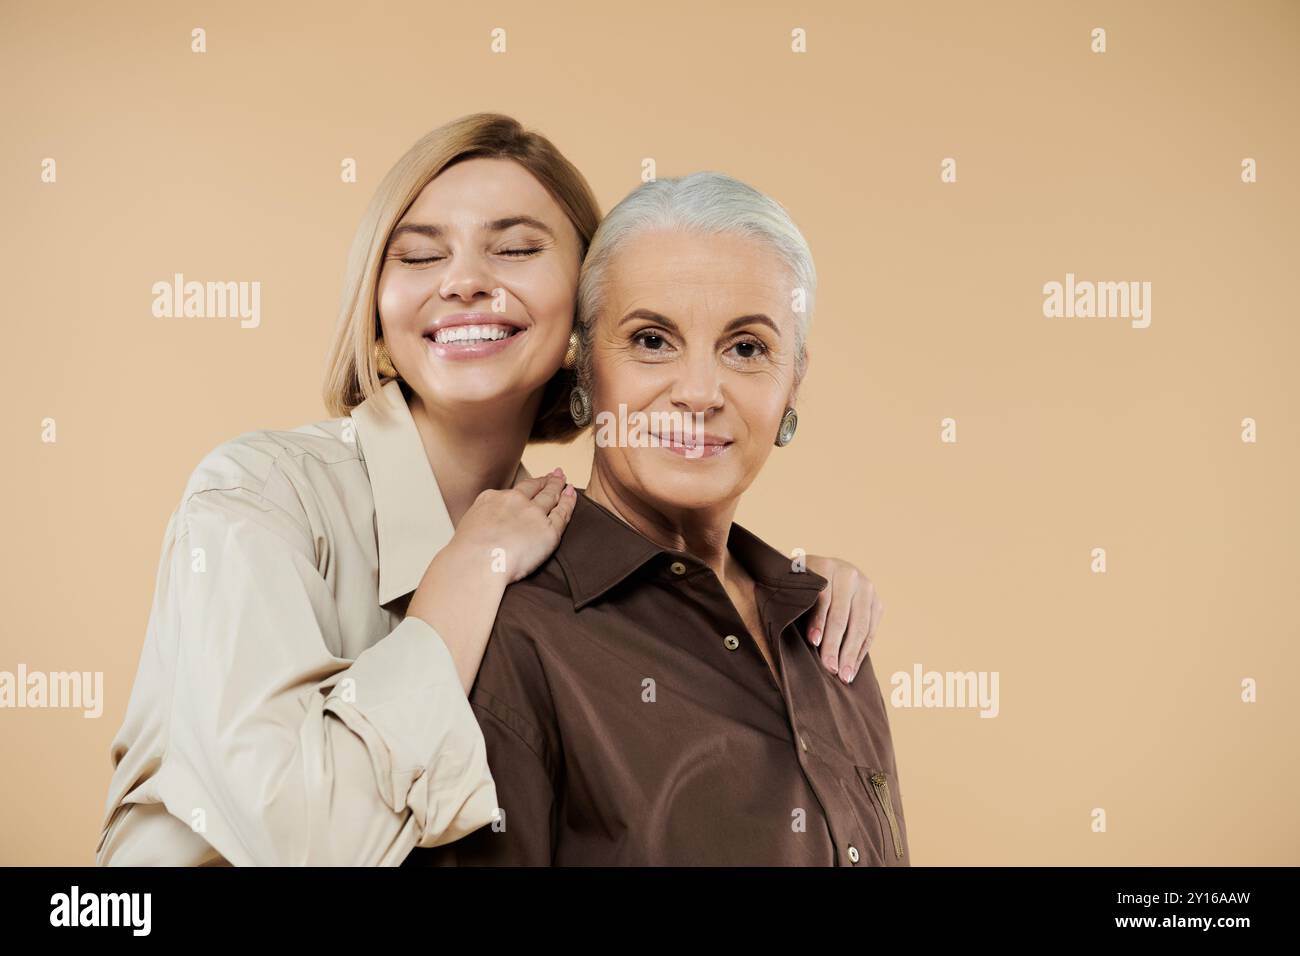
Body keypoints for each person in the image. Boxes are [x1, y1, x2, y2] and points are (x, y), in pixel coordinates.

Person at [96, 114, 886, 866]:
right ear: (373, 306)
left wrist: (782, 591)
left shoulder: (555, 543)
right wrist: (461, 584)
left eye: (513, 250)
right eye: (417, 256)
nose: (467, 282)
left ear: (577, 322)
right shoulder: (257, 500)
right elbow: (307, 843)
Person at [405, 172, 908, 866]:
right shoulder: (514, 638)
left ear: (795, 378)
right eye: (650, 340)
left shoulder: (828, 631)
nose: (699, 392)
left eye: (747, 348)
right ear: (586, 371)